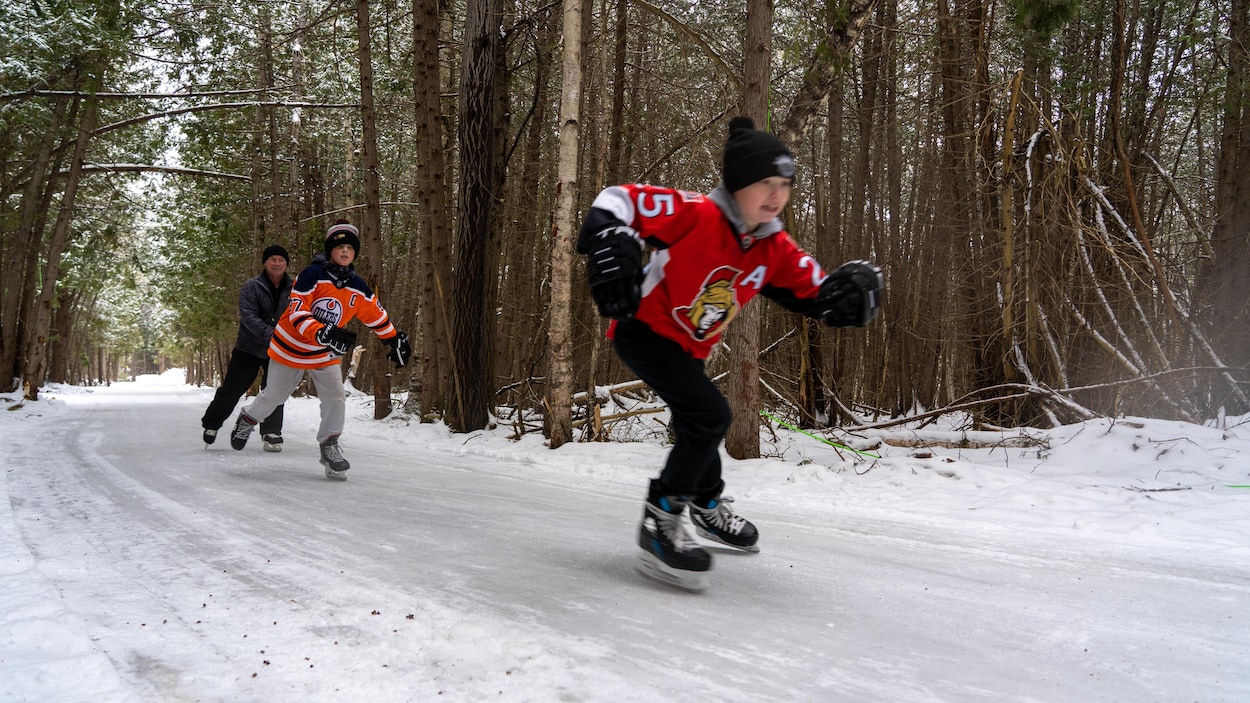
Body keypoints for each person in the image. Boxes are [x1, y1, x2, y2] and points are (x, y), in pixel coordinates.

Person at [576, 116, 883, 590]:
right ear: (738, 181)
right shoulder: (696, 213)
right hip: (643, 330)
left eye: (784, 184)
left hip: (688, 347)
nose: (776, 194)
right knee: (710, 415)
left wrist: (842, 297)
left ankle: (704, 501)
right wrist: (608, 240)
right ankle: (662, 517)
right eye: (765, 182)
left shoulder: (772, 248)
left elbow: (814, 287)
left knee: (695, 419)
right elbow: (618, 199)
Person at [228, 220, 412, 480]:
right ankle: (248, 419)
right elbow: (297, 310)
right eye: (340, 247)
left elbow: (374, 314)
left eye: (350, 247)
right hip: (289, 347)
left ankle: (330, 445)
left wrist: (392, 338)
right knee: (275, 396)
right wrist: (320, 331)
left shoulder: (357, 286)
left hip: (323, 352)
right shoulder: (311, 275)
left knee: (336, 396)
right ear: (330, 250)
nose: (345, 251)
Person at [201, 244, 293, 452]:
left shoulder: (294, 287)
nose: (277, 263)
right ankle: (212, 424)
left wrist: (286, 338)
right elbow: (248, 315)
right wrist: (273, 334)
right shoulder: (252, 286)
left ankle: (271, 432)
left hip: (279, 350)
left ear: (286, 263)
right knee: (233, 389)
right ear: (265, 262)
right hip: (249, 347)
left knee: (274, 391)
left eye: (281, 260)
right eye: (273, 260)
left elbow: (297, 314)